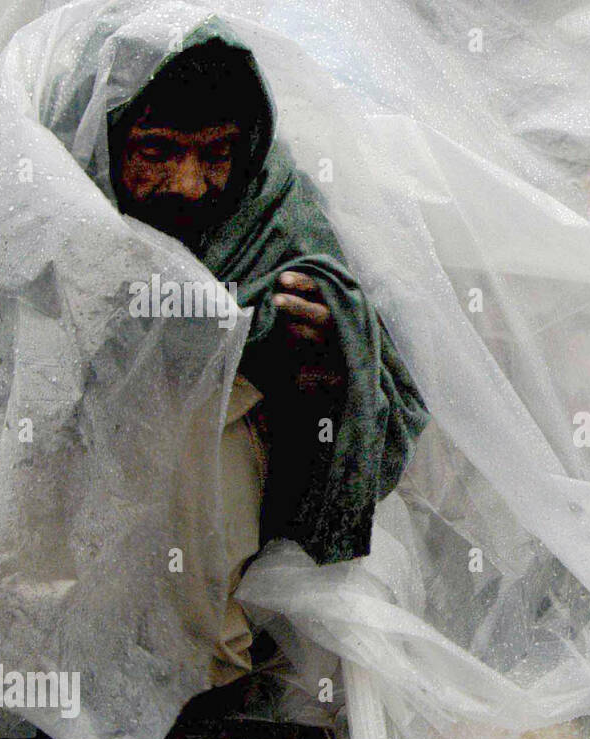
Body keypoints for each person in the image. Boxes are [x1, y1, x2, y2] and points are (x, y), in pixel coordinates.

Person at [101, 30, 429, 682]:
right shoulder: (69, 201)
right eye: (157, 153)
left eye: (214, 154)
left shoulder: (274, 214)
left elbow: (373, 409)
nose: (191, 185)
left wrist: (320, 366)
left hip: (221, 472)